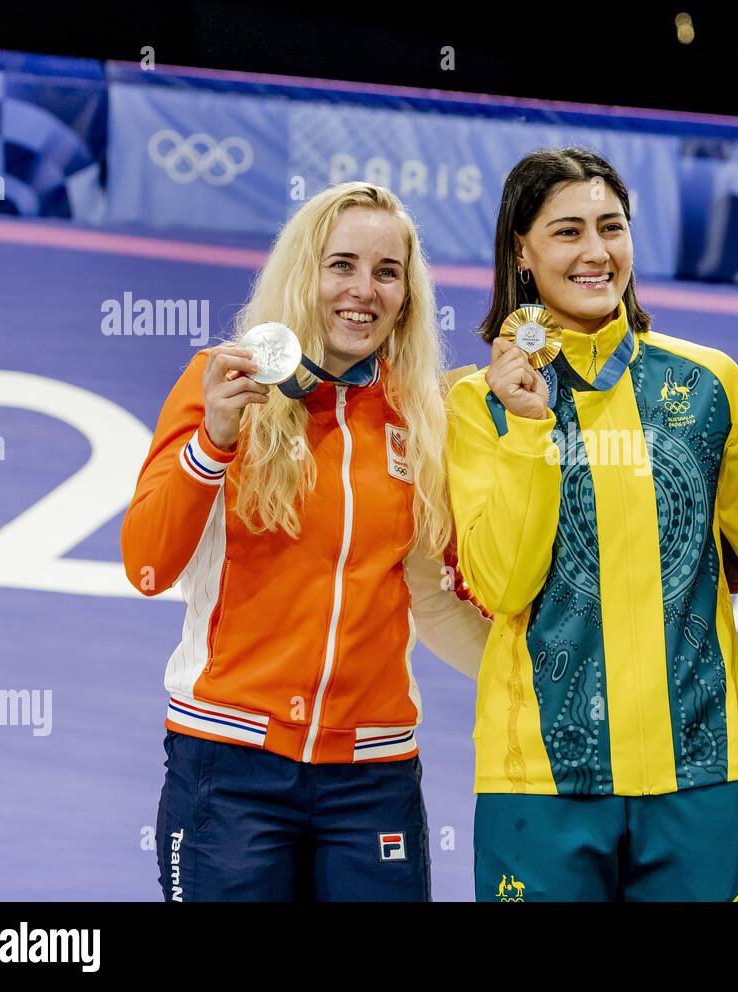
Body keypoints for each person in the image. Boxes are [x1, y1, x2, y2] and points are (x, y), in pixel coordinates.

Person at [121, 181, 489, 902]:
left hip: (373, 776)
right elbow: (146, 565)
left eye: (388, 273)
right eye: (341, 265)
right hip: (231, 767)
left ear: (408, 297)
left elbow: (428, 599)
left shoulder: (422, 418)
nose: (364, 290)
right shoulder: (220, 385)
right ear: (302, 274)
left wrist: (535, 683)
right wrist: (213, 443)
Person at [445, 147, 738, 902]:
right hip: (538, 777)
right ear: (522, 253)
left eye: (612, 227)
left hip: (701, 773)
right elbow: (502, 583)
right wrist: (531, 428)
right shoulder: (480, 403)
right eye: (568, 231)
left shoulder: (707, 383)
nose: (597, 252)